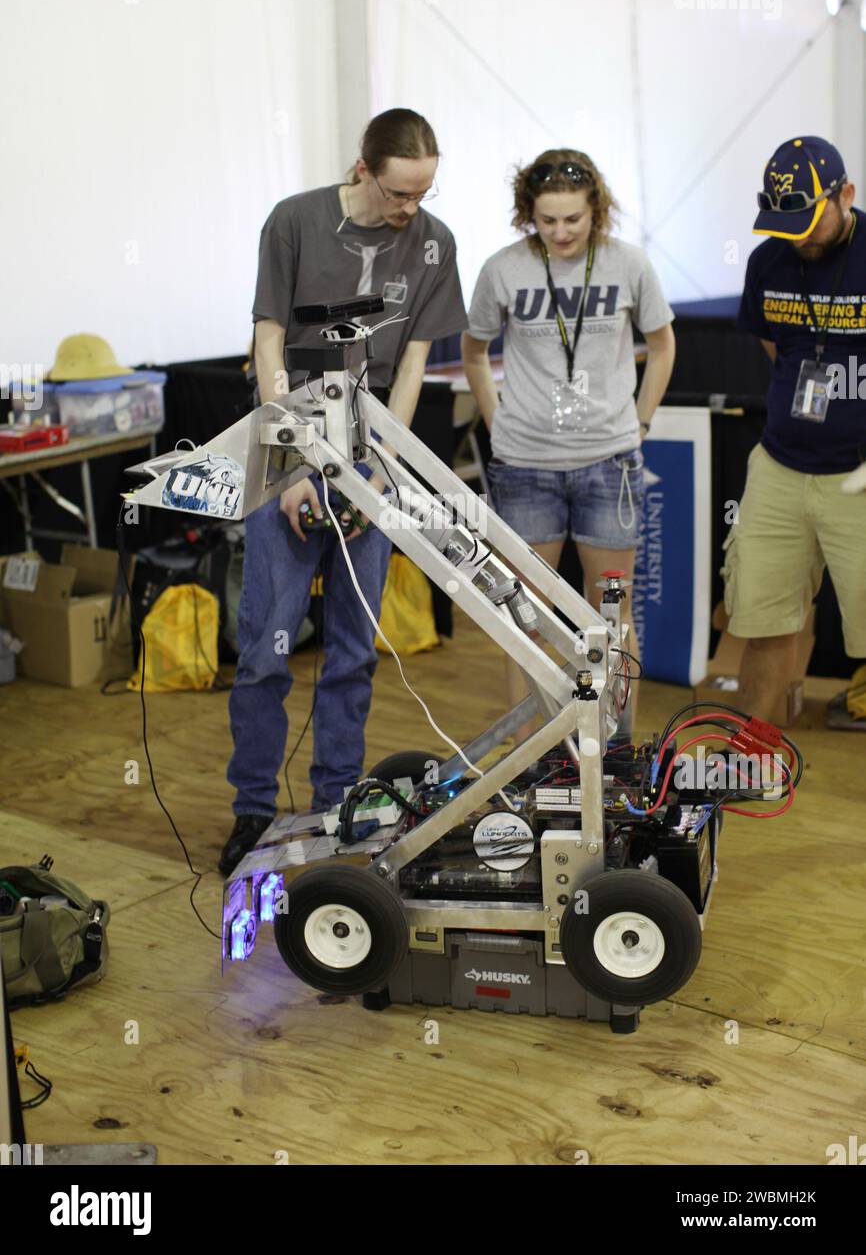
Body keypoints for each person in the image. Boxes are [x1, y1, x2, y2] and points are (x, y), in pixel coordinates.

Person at [219, 109, 467, 876]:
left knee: (354, 651)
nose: (410, 208)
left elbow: (416, 358)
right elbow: (268, 341)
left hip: (369, 447)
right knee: (268, 649)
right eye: (399, 193)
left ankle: (337, 802)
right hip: (289, 436)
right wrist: (293, 466)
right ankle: (254, 807)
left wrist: (383, 466)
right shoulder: (294, 223)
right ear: (363, 170)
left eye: (423, 191)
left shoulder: (434, 243)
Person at [462, 149, 675, 738]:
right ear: (527, 213)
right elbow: (474, 350)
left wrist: (642, 423)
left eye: (572, 220)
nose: (559, 232)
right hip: (525, 467)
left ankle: (620, 745)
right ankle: (534, 747)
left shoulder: (629, 264)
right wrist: (495, 418)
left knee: (611, 615)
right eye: (547, 220)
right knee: (523, 615)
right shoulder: (502, 269)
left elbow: (662, 346)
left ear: (596, 211)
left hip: (610, 464)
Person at [728, 135, 866, 726]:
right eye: (785, 223)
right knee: (763, 625)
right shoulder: (770, 260)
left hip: (859, 475)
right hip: (780, 468)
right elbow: (774, 345)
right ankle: (749, 761)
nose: (799, 235)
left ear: (846, 195)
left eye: (810, 219)